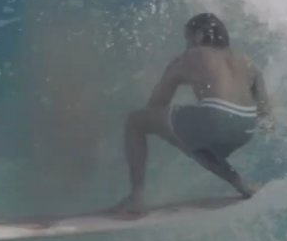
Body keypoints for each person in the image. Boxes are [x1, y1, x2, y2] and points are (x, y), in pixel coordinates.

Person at [110, 12, 274, 215]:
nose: (187, 45)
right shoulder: (246, 60)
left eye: (187, 38)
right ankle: (241, 183)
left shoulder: (192, 56)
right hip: (246, 127)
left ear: (198, 35)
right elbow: (265, 112)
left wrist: (174, 71)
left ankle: (136, 198)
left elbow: (155, 106)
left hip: (217, 119)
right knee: (188, 137)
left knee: (135, 121)